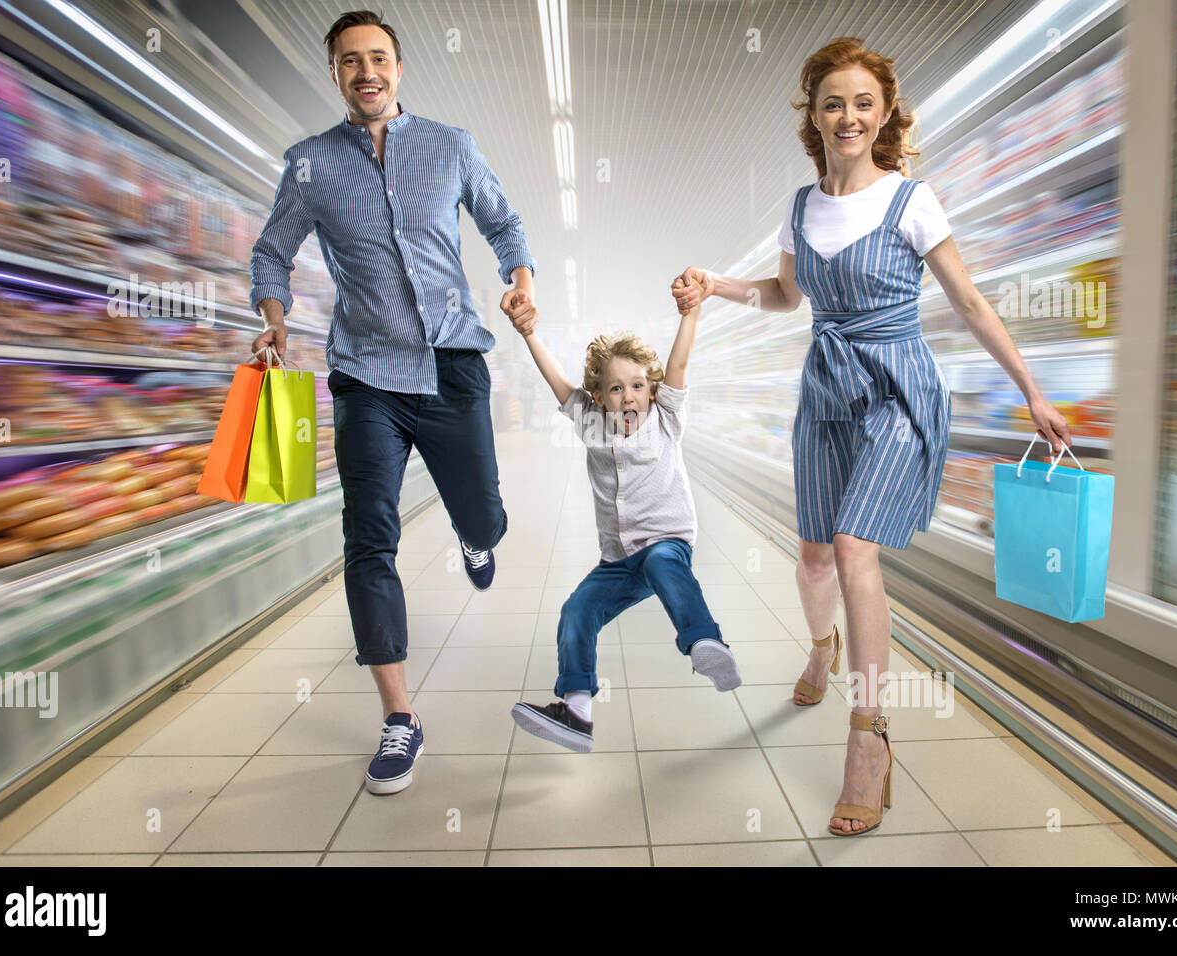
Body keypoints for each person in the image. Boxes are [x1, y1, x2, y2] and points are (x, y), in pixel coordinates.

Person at [672, 37, 1071, 835]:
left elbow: (970, 304)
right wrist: (719, 288)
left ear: (883, 112)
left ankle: (869, 738)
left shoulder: (912, 201)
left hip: (898, 389)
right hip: (826, 389)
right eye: (832, 103)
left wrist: (1033, 392)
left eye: (862, 103)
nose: (847, 116)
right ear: (811, 115)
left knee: (854, 547)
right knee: (814, 555)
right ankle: (821, 645)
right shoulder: (799, 204)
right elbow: (786, 296)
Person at [248, 10, 539, 795]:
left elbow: (503, 220)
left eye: (377, 58)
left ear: (399, 69)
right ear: (336, 74)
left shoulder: (451, 145)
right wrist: (274, 320)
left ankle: (478, 539)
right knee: (367, 538)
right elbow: (272, 248)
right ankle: (400, 718)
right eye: (349, 61)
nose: (365, 71)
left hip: (451, 366)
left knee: (482, 514)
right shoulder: (309, 165)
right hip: (365, 376)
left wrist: (520, 278)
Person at [507, 275, 741, 752]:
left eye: (637, 385)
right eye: (615, 389)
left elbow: (677, 362)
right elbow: (558, 383)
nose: (628, 396)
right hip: (617, 559)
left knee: (660, 563)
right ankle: (576, 709)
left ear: (652, 391)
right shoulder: (591, 425)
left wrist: (690, 313)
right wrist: (529, 333)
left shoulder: (666, 418)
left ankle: (704, 643)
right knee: (577, 610)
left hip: (666, 541)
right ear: (599, 399)